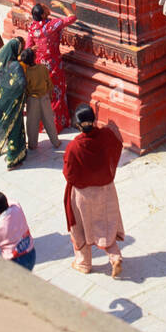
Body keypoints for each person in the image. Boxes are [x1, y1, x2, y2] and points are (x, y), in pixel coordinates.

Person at [63, 106, 124, 277]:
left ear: (78, 125)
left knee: (80, 228)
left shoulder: (74, 147)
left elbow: (68, 173)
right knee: (106, 225)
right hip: (105, 190)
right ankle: (115, 257)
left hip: (83, 195)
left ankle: (83, 263)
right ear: (94, 120)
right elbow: (117, 146)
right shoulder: (106, 135)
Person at [26, 1, 79, 134]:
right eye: (44, 9)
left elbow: (28, 48)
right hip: (54, 65)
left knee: (43, 94)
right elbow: (72, 18)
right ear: (43, 15)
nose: (46, 8)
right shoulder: (52, 25)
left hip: (39, 66)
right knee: (56, 93)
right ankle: (55, 126)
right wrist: (62, 6)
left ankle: (42, 124)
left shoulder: (32, 28)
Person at [0, 37, 28, 169]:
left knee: (6, 127)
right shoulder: (15, 66)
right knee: (15, 128)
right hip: (12, 103)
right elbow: (22, 84)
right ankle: (13, 158)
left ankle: (10, 149)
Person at [20, 47, 61, 151]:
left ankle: (32, 145)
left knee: (32, 123)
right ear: (35, 57)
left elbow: (25, 88)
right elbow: (49, 82)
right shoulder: (42, 68)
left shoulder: (25, 73)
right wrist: (50, 94)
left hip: (32, 100)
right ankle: (55, 142)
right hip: (44, 98)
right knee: (49, 120)